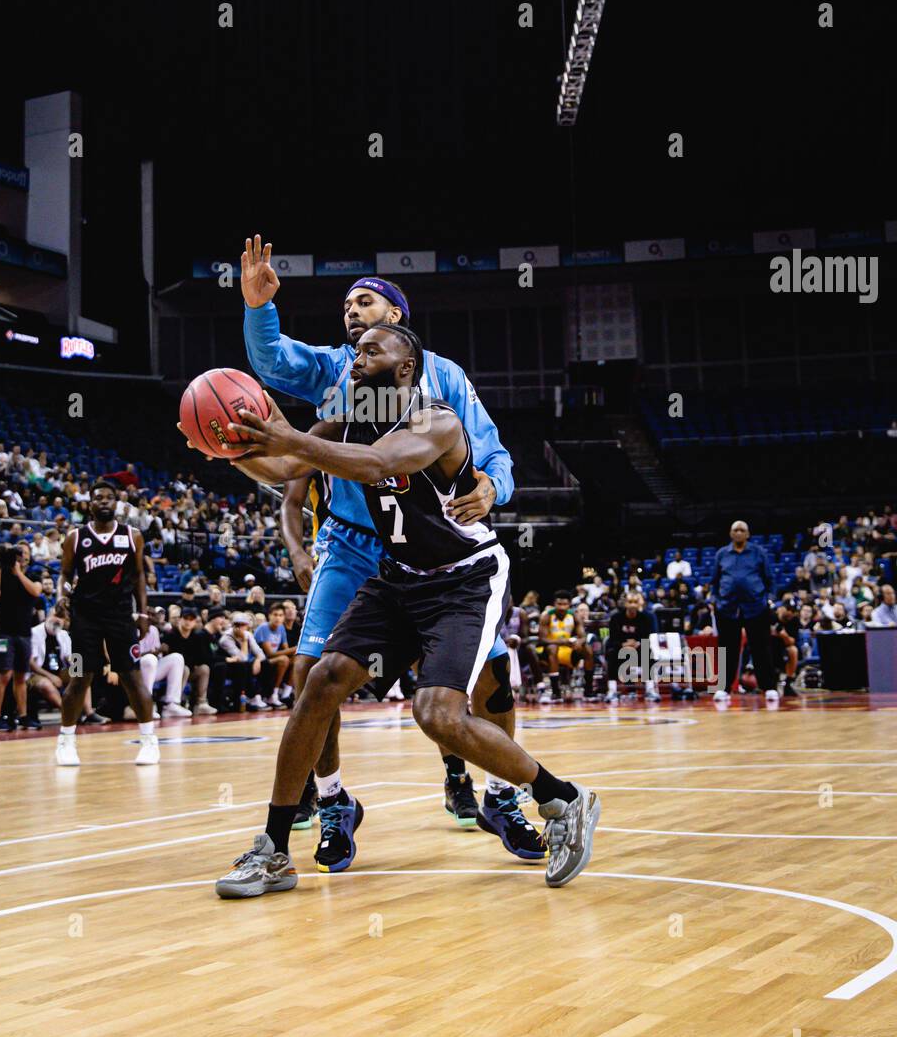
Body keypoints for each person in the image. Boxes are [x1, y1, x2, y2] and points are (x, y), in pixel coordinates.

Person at [202, 323, 597, 897]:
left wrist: (287, 438)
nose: (357, 357)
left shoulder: (435, 421)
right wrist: (229, 450)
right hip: (399, 578)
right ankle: (273, 850)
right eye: (356, 351)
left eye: (372, 350)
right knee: (320, 680)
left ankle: (563, 799)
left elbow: (370, 465)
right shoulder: (350, 411)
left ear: (406, 367)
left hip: (464, 581)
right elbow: (287, 469)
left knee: (438, 714)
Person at [239, 237, 533, 858]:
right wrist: (259, 308)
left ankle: (502, 796)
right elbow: (273, 364)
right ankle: (333, 799)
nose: (350, 312)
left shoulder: (445, 377)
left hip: (435, 547)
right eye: (345, 305)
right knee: (310, 674)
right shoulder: (334, 369)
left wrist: (491, 487)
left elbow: (495, 452)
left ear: (397, 318)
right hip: (351, 545)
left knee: (488, 677)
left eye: (365, 301)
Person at [55, 481, 155, 766]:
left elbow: (139, 578)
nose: (104, 502)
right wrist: (62, 595)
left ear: (117, 503)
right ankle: (66, 742)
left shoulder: (132, 536)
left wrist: (144, 614)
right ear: (89, 503)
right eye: (98, 498)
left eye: (109, 498)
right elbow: (64, 574)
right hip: (84, 618)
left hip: (120, 616)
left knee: (131, 677)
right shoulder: (75, 537)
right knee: (79, 678)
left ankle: (149, 741)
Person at [710, 521, 776, 703]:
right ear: (731, 534)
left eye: (742, 530)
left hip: (756, 607)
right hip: (728, 609)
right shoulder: (722, 554)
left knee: (761, 648)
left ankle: (769, 687)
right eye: (735, 530)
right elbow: (715, 581)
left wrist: (768, 599)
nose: (738, 533)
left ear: (748, 534)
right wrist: (716, 600)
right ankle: (723, 688)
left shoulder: (758, 553)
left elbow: (769, 578)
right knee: (727, 649)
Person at [0, 542, 43, 731]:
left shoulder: (33, 575)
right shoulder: (1, 574)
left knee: (20, 676)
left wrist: (18, 572)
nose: (21, 556)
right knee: (5, 674)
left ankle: (24, 716)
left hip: (24, 632)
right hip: (4, 632)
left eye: (25, 553)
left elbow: (35, 591)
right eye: (18, 553)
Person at [604, 592, 656, 703]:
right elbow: (613, 639)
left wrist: (636, 644)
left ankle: (650, 690)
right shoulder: (616, 618)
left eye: (635, 602)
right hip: (620, 650)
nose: (632, 605)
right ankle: (612, 691)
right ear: (625, 604)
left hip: (637, 650)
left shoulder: (645, 618)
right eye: (630, 602)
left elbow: (646, 638)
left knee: (648, 651)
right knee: (611, 652)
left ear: (639, 604)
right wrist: (624, 645)